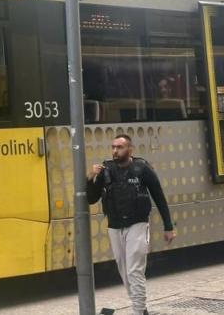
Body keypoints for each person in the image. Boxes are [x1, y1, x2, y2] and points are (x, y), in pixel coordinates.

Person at [87, 134, 176, 315]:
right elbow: (91, 198)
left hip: (137, 224)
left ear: (130, 149)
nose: (115, 151)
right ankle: (141, 309)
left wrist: (168, 226)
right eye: (113, 147)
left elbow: (159, 196)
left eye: (119, 147)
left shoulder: (142, 168)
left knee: (134, 270)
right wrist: (90, 178)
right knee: (124, 271)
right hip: (114, 226)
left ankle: (137, 311)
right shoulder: (106, 170)